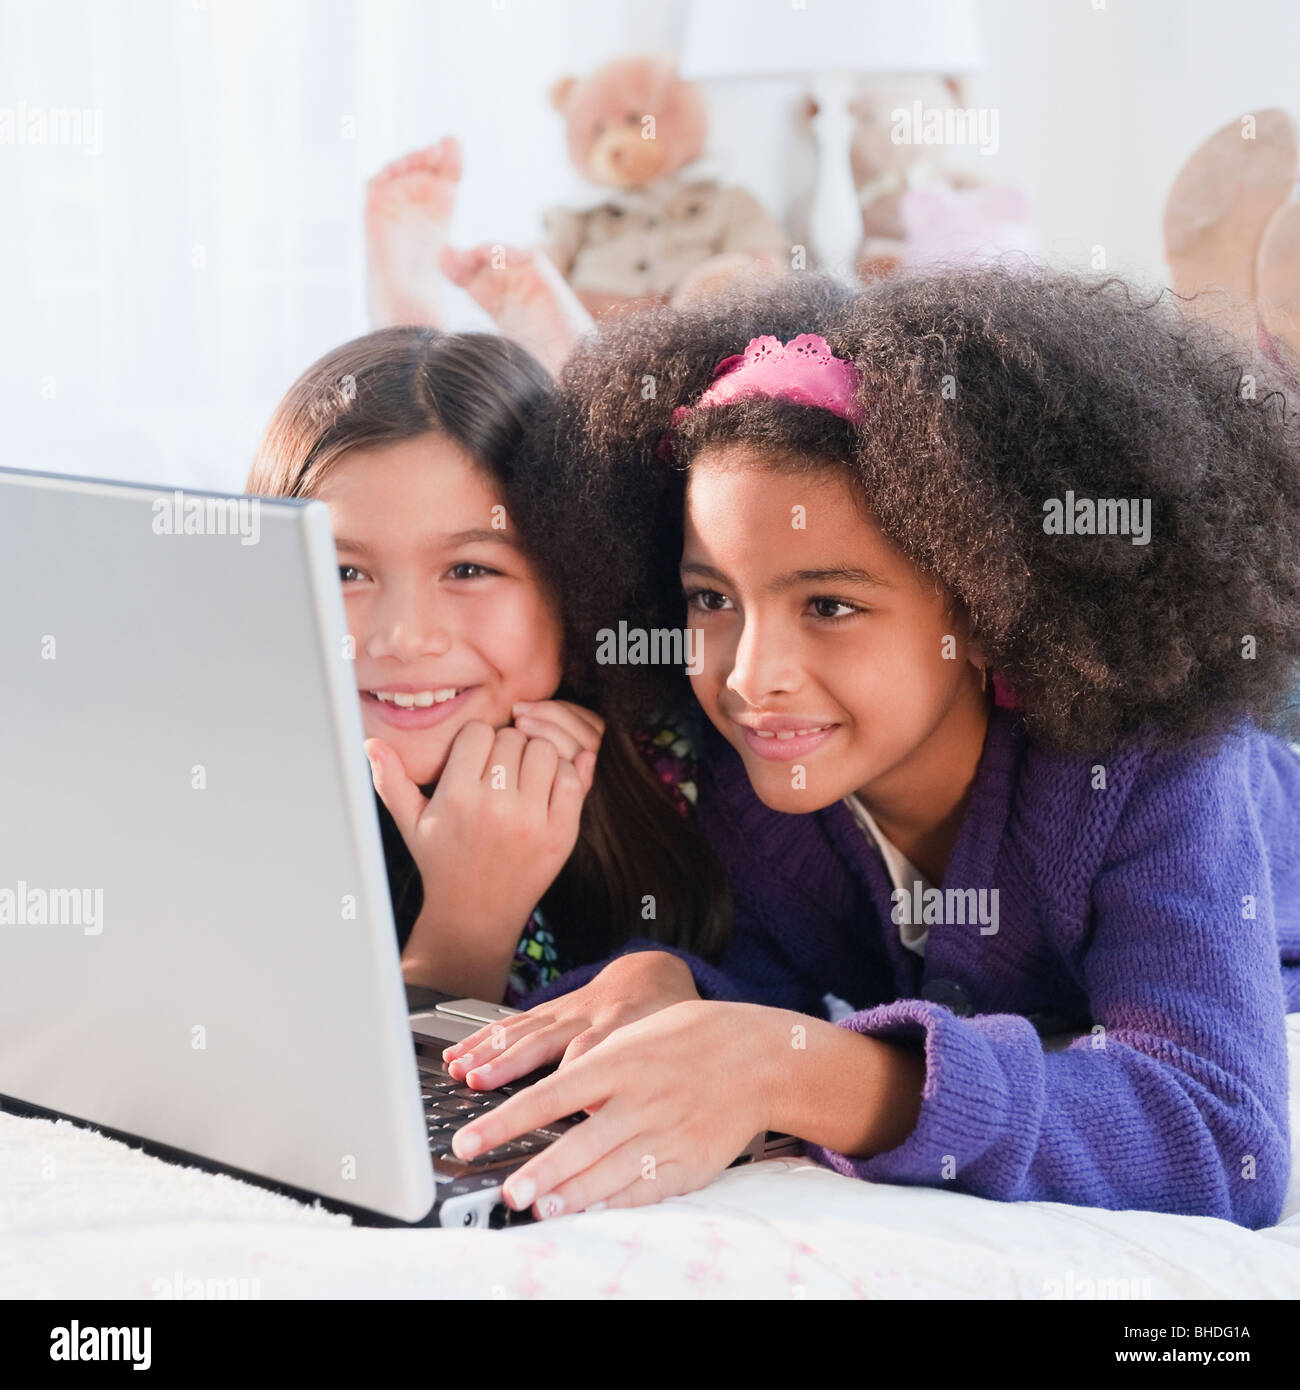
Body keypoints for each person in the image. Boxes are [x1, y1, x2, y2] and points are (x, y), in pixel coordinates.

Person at [441, 269, 1300, 1229]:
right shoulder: (756, 782)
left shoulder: (1156, 766)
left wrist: (803, 1074)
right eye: (712, 599)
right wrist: (675, 984)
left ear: (988, 613)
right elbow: (776, 986)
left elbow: (1226, 1137)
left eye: (830, 606)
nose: (750, 676)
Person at [247, 326, 728, 1004]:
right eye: (345, 571)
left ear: (572, 584)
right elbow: (339, 1101)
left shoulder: (682, 757)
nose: (404, 638)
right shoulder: (250, 813)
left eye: (469, 569)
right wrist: (470, 918)